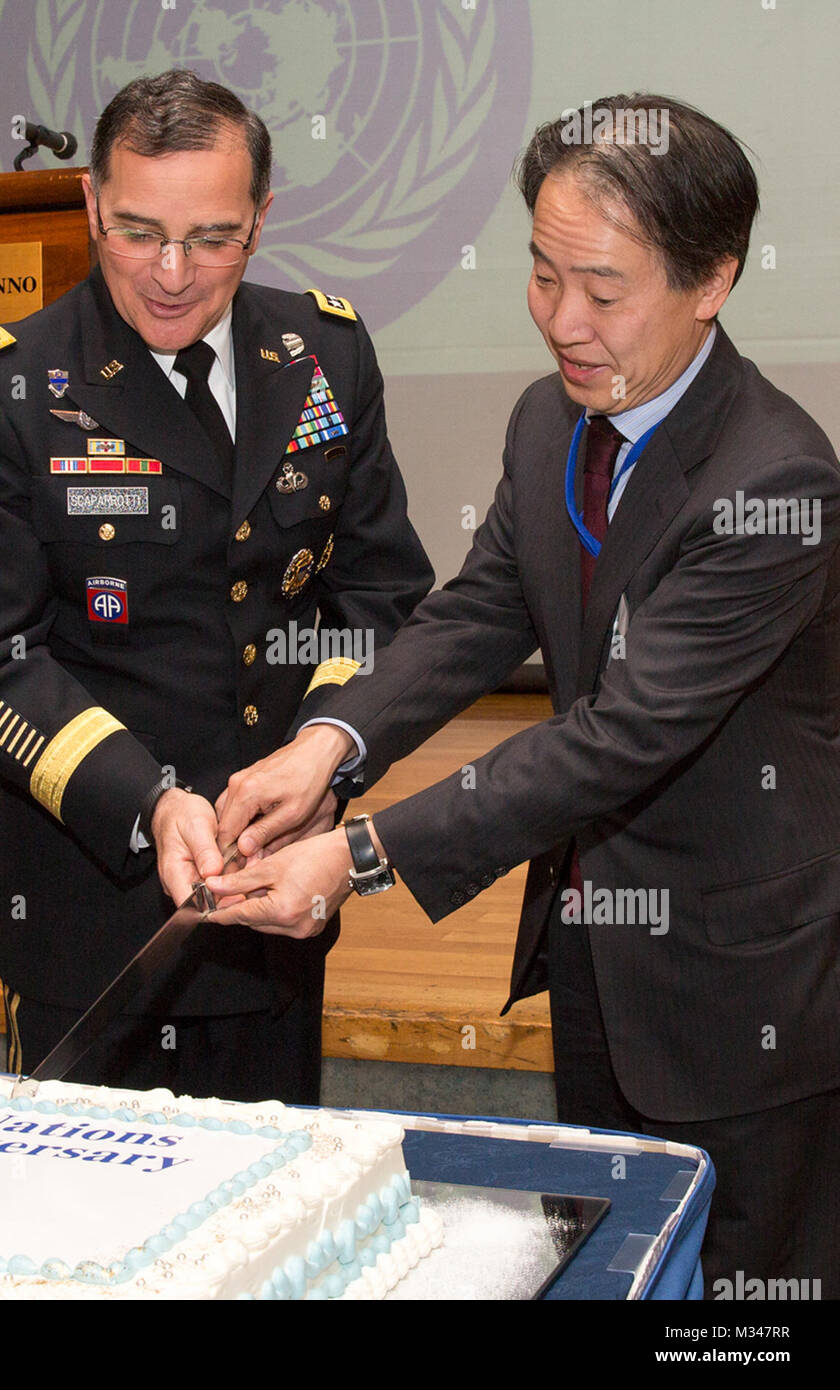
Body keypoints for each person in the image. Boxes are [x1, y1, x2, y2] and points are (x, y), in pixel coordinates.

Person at [207, 94, 840, 1295]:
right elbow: (476, 613)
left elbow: (613, 739)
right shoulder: (547, 419)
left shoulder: (778, 479)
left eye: (602, 291)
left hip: (746, 991)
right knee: (615, 1266)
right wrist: (328, 747)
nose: (561, 320)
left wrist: (355, 855)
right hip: (600, 957)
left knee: (750, 1301)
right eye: (541, 275)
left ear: (710, 279)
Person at [0, 69, 432, 1105]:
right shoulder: (8, 383)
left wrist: (316, 764)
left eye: (211, 238)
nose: (169, 272)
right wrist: (146, 802)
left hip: (272, 902)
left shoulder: (322, 353)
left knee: (267, 1232)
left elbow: (377, 597)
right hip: (88, 915)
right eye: (137, 230)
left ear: (261, 221)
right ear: (89, 205)